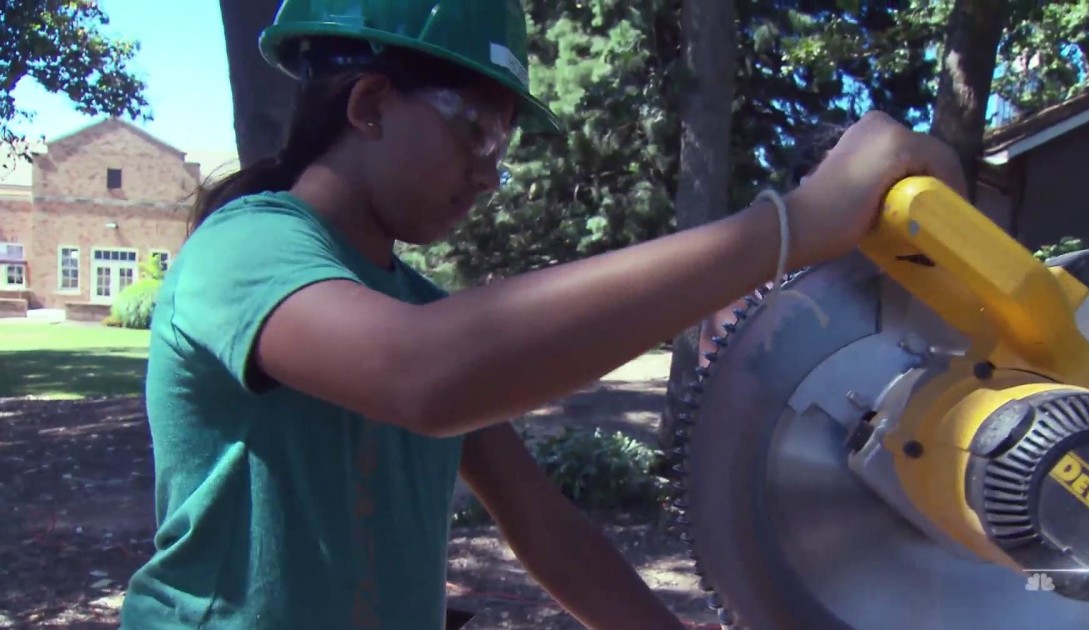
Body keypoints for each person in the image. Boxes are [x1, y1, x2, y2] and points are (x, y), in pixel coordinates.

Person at [117, 1, 967, 629]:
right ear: (369, 104)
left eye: (504, 146)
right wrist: (793, 226)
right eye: (477, 133)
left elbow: (544, 525)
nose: (491, 174)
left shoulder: (412, 302)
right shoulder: (247, 247)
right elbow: (425, 375)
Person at [697, 122, 851, 368]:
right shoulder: (753, 280)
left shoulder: (888, 275)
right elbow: (718, 375)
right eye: (831, 182)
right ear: (802, 189)